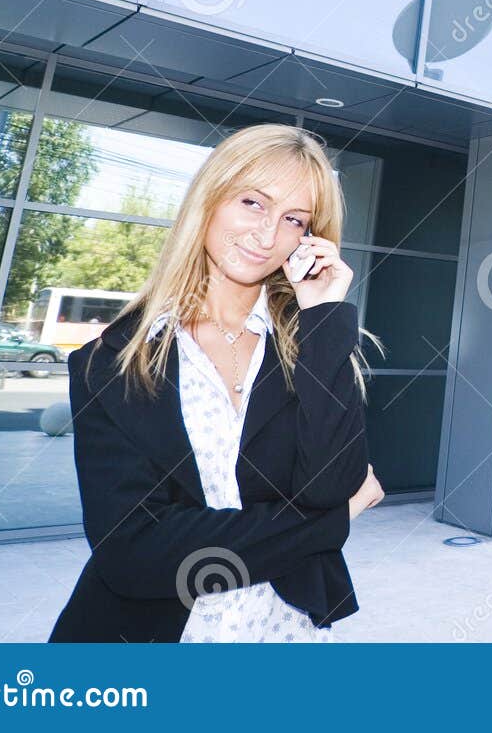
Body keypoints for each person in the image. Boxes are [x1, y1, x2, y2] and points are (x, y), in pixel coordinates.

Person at [49, 125, 386, 643]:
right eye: (253, 202)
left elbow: (333, 486)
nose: (268, 234)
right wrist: (326, 524)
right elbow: (136, 551)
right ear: (210, 198)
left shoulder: (312, 347)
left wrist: (322, 315)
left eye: (294, 218)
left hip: (287, 633)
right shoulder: (113, 362)